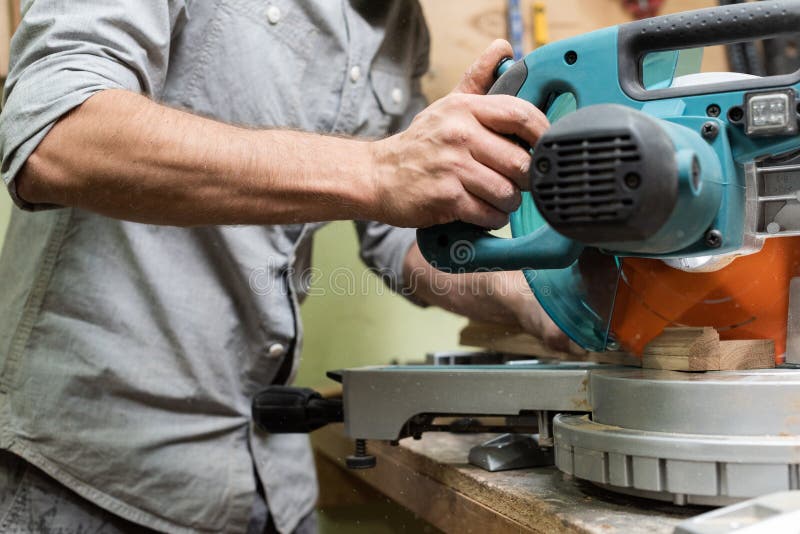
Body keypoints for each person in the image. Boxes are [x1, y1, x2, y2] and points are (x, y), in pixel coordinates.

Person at [0, 1, 568, 532]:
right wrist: (377, 170)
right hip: (92, 478)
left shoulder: (400, 24)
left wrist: (539, 293)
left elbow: (397, 236)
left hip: (274, 480)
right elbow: (56, 134)